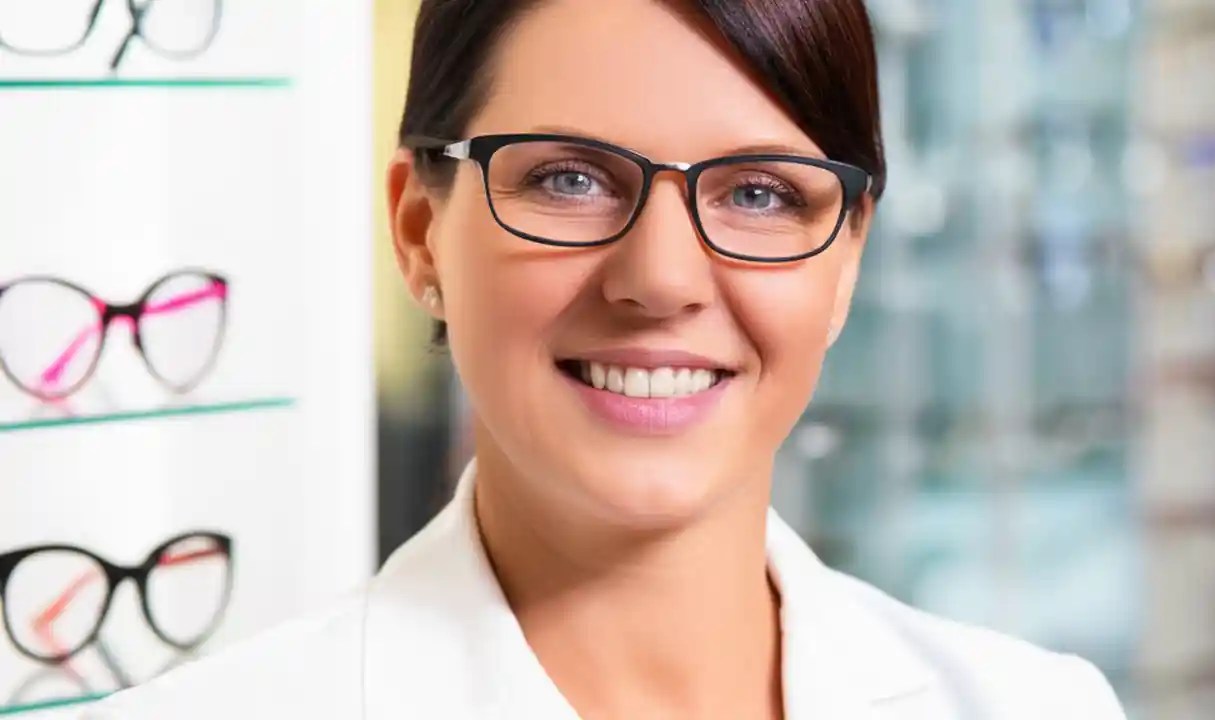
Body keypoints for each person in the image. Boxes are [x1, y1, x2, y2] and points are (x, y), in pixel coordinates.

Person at [83, 0, 1128, 717]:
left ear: (845, 261)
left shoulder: (1036, 706)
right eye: (568, 180)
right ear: (418, 231)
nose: (661, 278)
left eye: (758, 193)